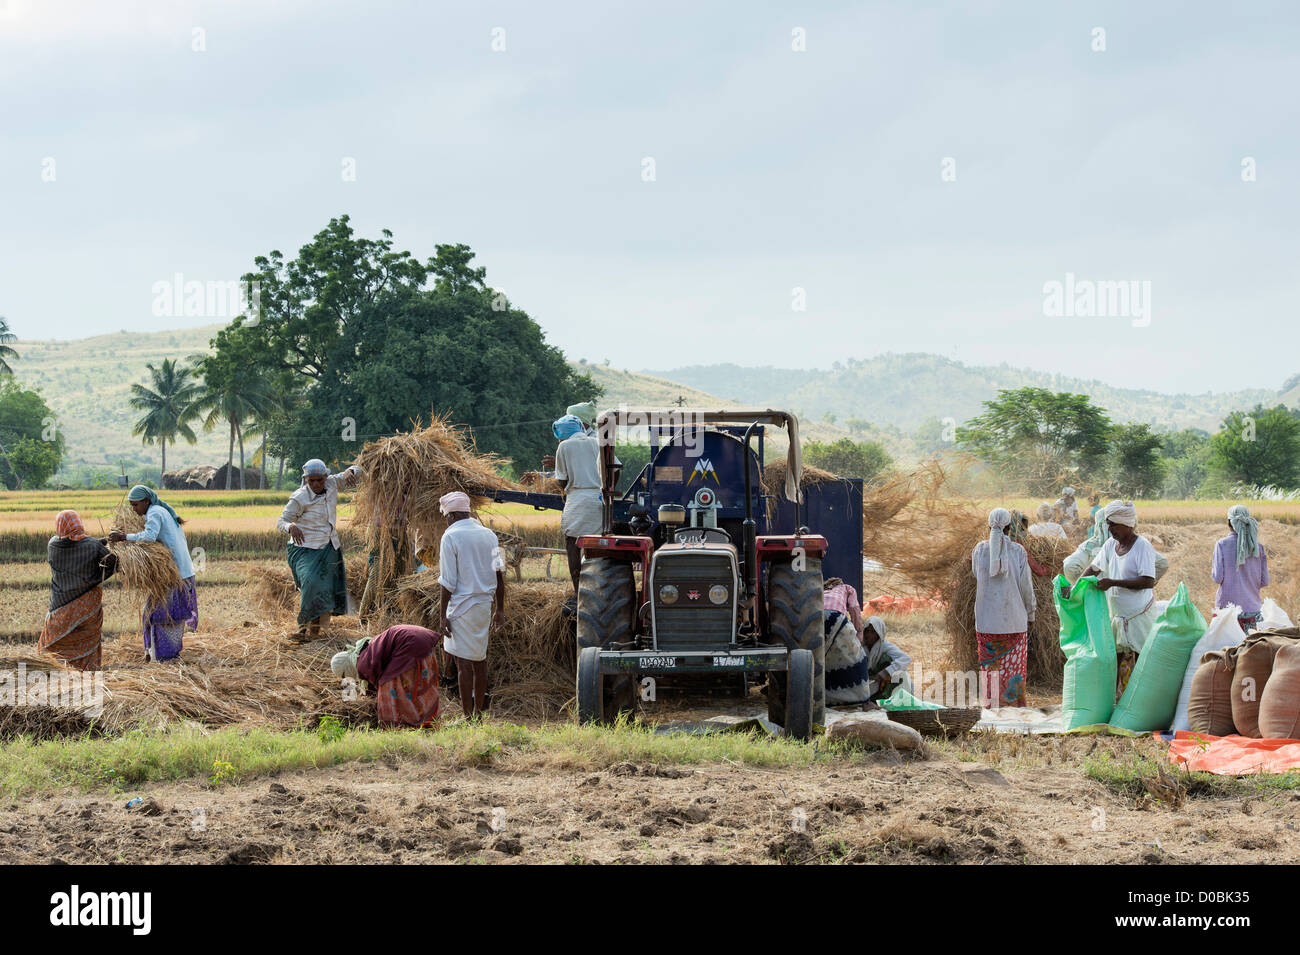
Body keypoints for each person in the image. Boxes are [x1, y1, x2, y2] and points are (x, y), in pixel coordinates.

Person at [109, 485, 197, 662]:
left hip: (176, 573)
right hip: (176, 570)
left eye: (135, 505)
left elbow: (149, 536)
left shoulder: (155, 513)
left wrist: (124, 537)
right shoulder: (158, 511)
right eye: (131, 505)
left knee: (164, 615)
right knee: (154, 612)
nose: (134, 509)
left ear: (146, 501)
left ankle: (165, 656)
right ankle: (155, 652)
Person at [437, 491, 505, 719]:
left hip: (461, 608)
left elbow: (448, 581)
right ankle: (478, 713)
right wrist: (500, 609)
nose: (446, 520)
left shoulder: (450, 536)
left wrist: (442, 614)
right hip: (484, 606)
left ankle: (468, 717)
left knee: (463, 663)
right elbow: (499, 574)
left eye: (446, 516)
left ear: (452, 515)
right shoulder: (490, 535)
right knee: (479, 660)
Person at [277, 459, 361, 639]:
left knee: (324, 588)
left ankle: (315, 630)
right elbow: (281, 521)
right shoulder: (299, 497)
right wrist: (291, 526)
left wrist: (351, 471)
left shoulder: (332, 483)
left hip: (328, 546)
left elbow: (360, 469)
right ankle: (302, 627)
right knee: (311, 583)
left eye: (319, 480)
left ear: (325, 477)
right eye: (311, 480)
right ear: (306, 479)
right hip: (304, 548)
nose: (316, 484)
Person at [1081, 500, 1157, 701]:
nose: (1110, 529)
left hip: (1138, 614)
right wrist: (1075, 588)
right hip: (1118, 615)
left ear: (1127, 524)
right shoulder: (1109, 546)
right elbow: (1094, 569)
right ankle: (1114, 701)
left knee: (1141, 660)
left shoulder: (1142, 547)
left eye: (1113, 524)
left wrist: (1113, 582)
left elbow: (1148, 581)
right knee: (1115, 659)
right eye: (1108, 524)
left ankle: (1141, 702)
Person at [971, 508, 1035, 708]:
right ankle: (1014, 708)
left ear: (989, 526)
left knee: (991, 670)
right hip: (1014, 621)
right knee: (1013, 669)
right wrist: (1031, 613)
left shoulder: (979, 550)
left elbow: (976, 575)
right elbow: (1027, 588)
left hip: (986, 622)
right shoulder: (1018, 551)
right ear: (1009, 527)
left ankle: (993, 708)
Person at [39, 510, 118, 671]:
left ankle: (53, 669)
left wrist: (101, 541)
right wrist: (100, 573)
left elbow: (80, 544)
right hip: (87, 606)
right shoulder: (92, 545)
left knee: (53, 643)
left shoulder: (53, 545)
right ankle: (86, 671)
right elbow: (114, 561)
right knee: (86, 639)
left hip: (60, 607)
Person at [332, 625, 443, 727]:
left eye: (343, 675)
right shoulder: (364, 650)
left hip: (411, 644)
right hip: (422, 640)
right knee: (411, 685)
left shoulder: (361, 663)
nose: (347, 677)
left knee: (387, 686)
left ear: (345, 667)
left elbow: (377, 680)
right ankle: (426, 719)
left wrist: (371, 698)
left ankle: (395, 724)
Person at [543, 414, 603, 594]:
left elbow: (562, 480)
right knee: (598, 543)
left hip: (577, 498)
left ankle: (578, 591)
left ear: (561, 434)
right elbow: (616, 468)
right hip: (599, 498)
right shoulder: (597, 442)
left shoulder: (564, 446)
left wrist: (554, 485)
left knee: (572, 542)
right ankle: (598, 587)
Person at [1212, 505, 1270, 633]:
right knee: (1251, 651)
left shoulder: (1222, 544)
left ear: (1229, 522)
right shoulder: (1258, 548)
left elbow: (1217, 578)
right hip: (1253, 612)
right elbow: (1265, 581)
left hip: (1227, 612)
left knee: (1226, 651)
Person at [862, 615, 912, 701]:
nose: (868, 635)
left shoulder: (885, 646)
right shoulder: (861, 646)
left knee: (887, 659)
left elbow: (905, 658)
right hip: (872, 682)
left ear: (879, 634)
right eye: (867, 631)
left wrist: (886, 672)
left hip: (886, 681)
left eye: (873, 632)